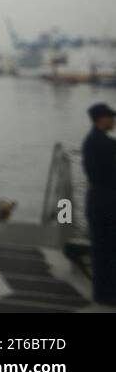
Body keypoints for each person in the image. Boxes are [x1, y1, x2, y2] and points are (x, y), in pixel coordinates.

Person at [82, 102, 116, 305]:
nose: (113, 120)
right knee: (108, 251)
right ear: (100, 119)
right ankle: (107, 295)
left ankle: (103, 294)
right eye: (110, 117)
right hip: (107, 204)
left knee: (102, 250)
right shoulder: (104, 144)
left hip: (97, 201)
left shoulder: (92, 141)